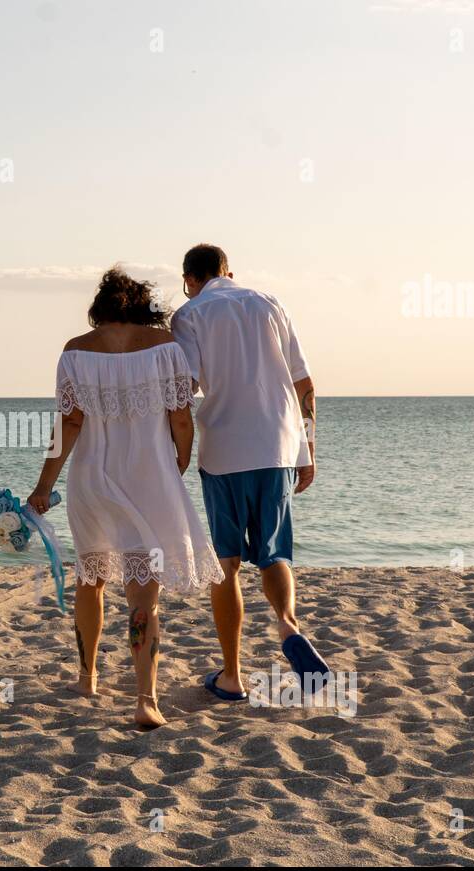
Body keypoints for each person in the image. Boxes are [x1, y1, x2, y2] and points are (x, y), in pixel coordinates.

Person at [29, 267, 224, 728]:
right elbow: (180, 417)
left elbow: (69, 424)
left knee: (90, 577)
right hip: (149, 479)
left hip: (92, 480)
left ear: (100, 307)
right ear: (142, 305)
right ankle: (145, 699)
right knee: (144, 596)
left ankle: (87, 676)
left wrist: (43, 485)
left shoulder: (75, 352)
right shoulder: (166, 349)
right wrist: (178, 461)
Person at [170, 244, 325, 702]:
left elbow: (185, 387)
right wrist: (308, 447)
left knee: (227, 564)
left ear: (189, 280)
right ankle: (287, 623)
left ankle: (233, 676)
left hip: (223, 449)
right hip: (279, 445)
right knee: (275, 553)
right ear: (229, 272)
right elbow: (305, 384)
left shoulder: (190, 313)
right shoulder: (270, 303)